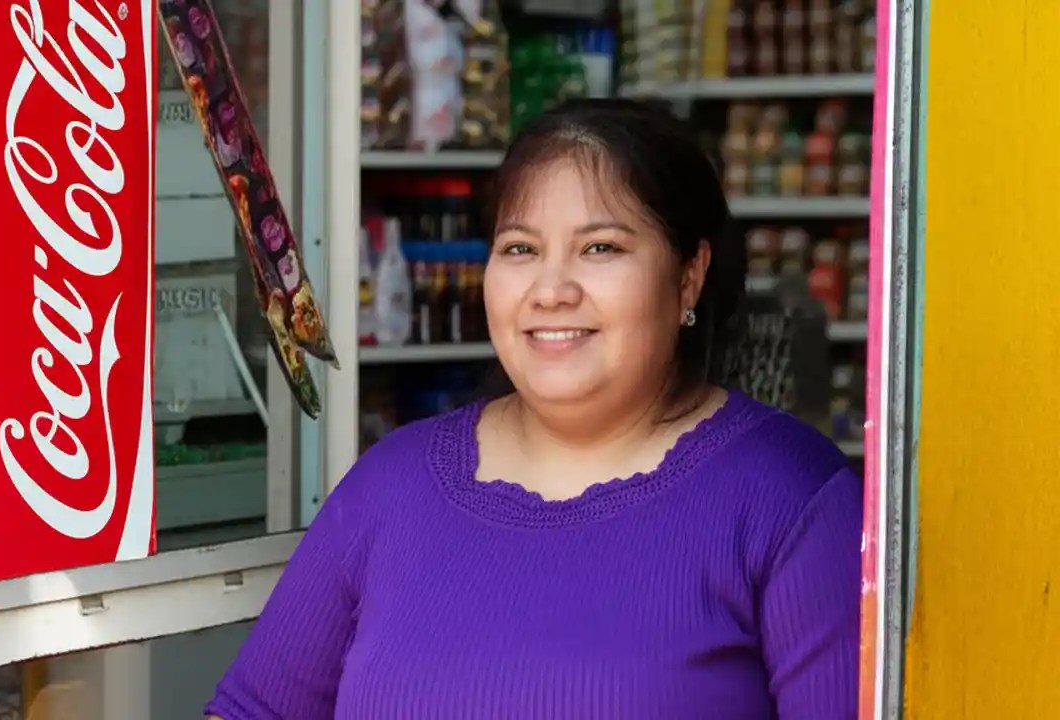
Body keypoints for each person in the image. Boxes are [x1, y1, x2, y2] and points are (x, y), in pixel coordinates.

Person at [205, 99, 862, 719]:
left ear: (688, 275)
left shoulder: (790, 499)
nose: (550, 290)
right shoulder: (391, 488)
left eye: (599, 248)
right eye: (520, 248)